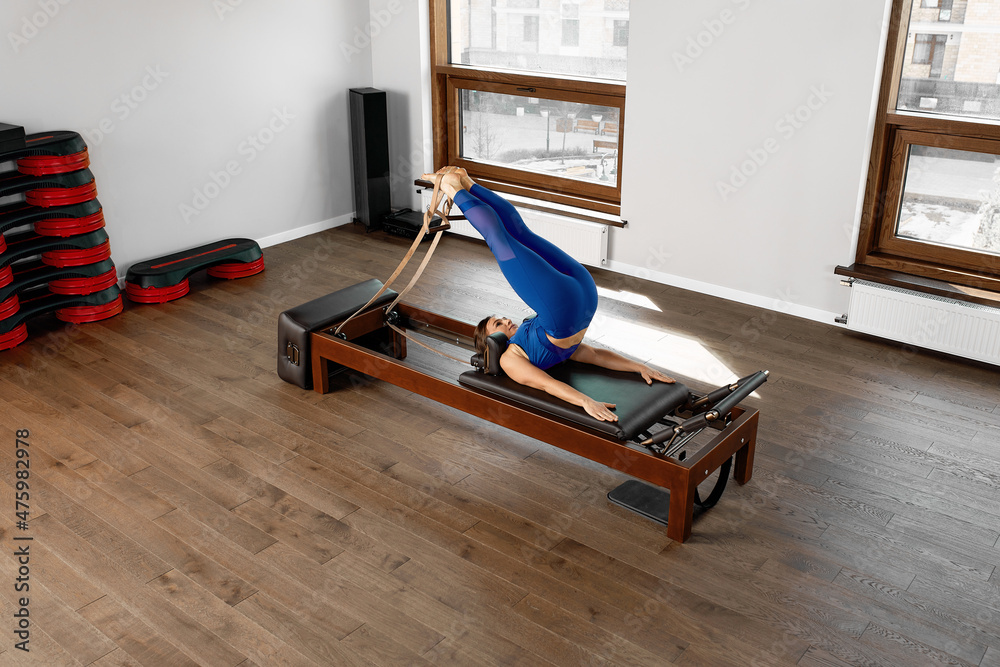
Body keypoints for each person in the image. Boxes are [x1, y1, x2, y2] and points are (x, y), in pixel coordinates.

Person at [423, 167, 674, 423]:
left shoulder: (537, 341)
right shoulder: (510, 358)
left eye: (501, 318)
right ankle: (456, 187)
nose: (507, 321)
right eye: (498, 325)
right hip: (570, 300)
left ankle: (466, 183)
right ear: (492, 341)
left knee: (518, 233)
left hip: (579, 292)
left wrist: (640, 367)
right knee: (500, 238)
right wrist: (585, 400)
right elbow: (547, 384)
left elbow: (597, 356)